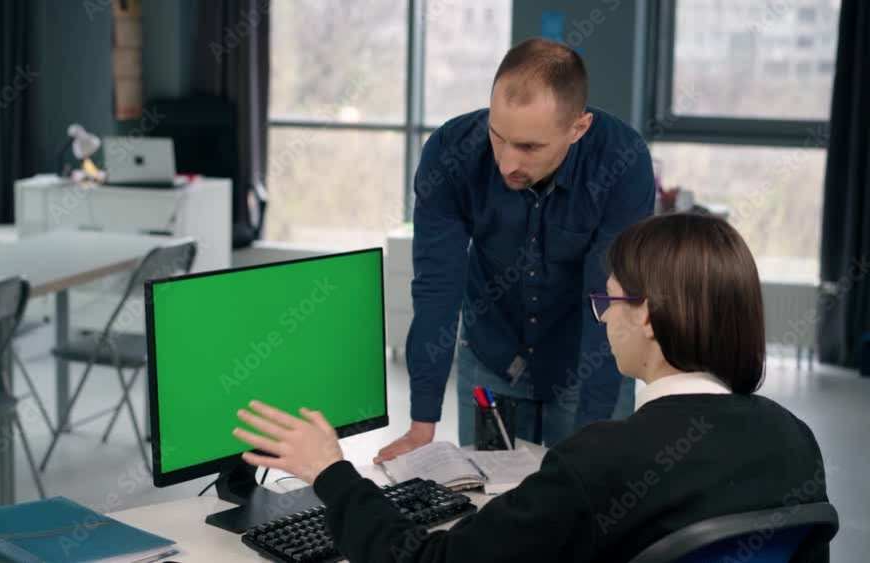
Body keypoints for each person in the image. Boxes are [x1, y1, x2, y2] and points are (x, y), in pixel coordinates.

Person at [232, 213, 830, 562]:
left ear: (646, 316)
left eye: (610, 299)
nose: (605, 318)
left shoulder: (603, 459)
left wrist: (332, 472)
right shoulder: (793, 439)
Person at [378, 38, 656, 459]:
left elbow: (607, 300)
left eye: (529, 147)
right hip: (493, 356)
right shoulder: (450, 154)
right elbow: (437, 287)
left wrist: (595, 443)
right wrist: (421, 424)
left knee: (591, 503)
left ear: (577, 129)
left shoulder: (622, 162)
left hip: (587, 359)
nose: (507, 163)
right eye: (498, 136)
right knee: (491, 502)